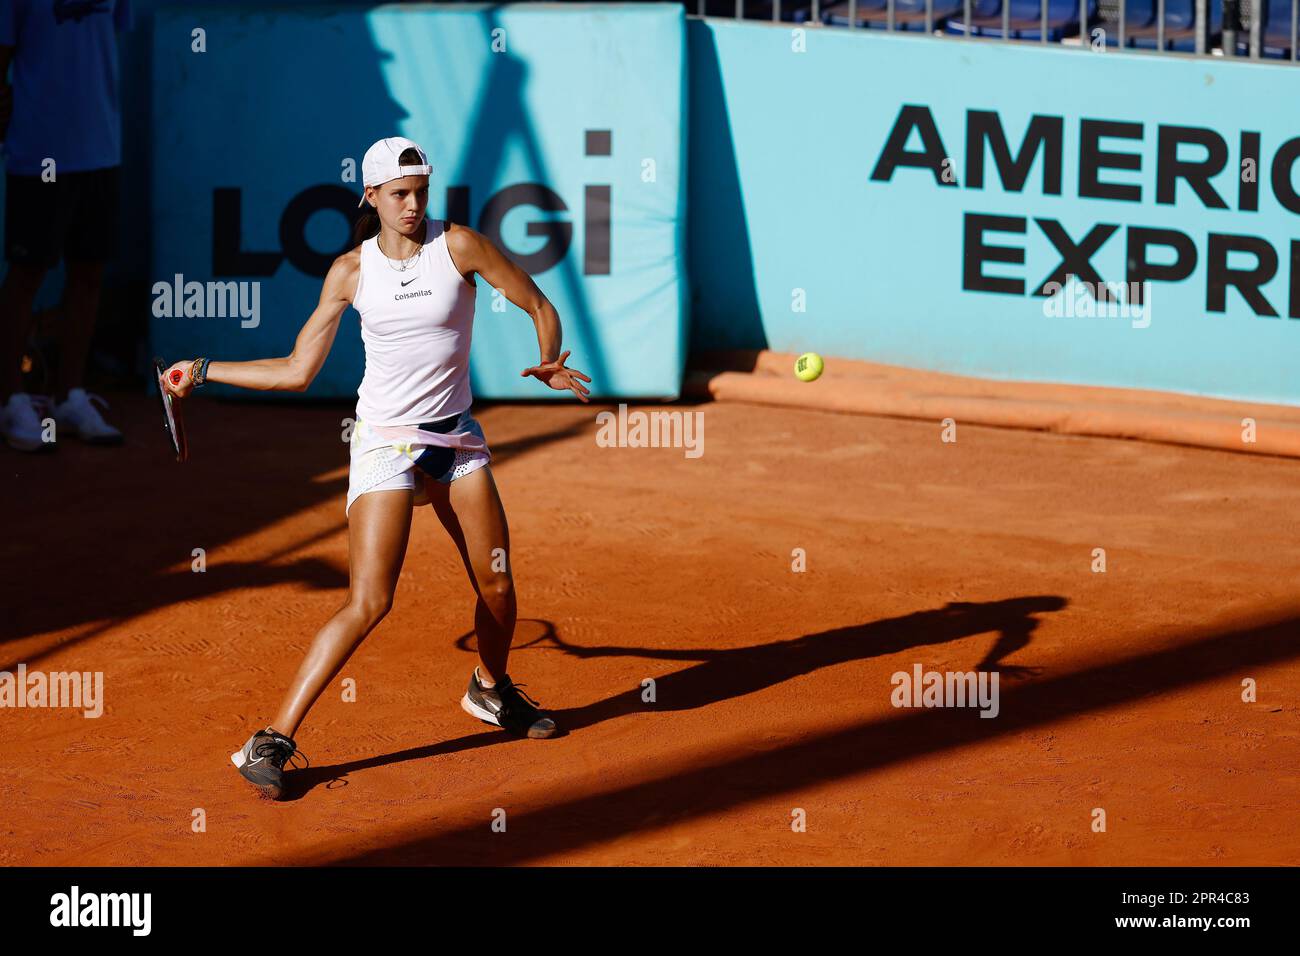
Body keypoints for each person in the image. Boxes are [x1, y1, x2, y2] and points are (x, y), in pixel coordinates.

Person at [163, 137, 591, 800]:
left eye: (421, 190)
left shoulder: (462, 247)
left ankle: (489, 688)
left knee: (499, 588)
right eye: (399, 194)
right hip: (386, 444)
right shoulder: (350, 272)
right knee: (371, 600)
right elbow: (296, 371)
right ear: (370, 197)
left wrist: (550, 358)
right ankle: (269, 740)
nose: (414, 204)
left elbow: (538, 304)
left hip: (454, 442)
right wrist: (203, 368)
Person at [0, 0, 132, 451]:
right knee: (28, 273)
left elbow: (105, 44)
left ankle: (68, 397)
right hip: (38, 152)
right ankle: (10, 401)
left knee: (89, 272)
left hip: (101, 148)